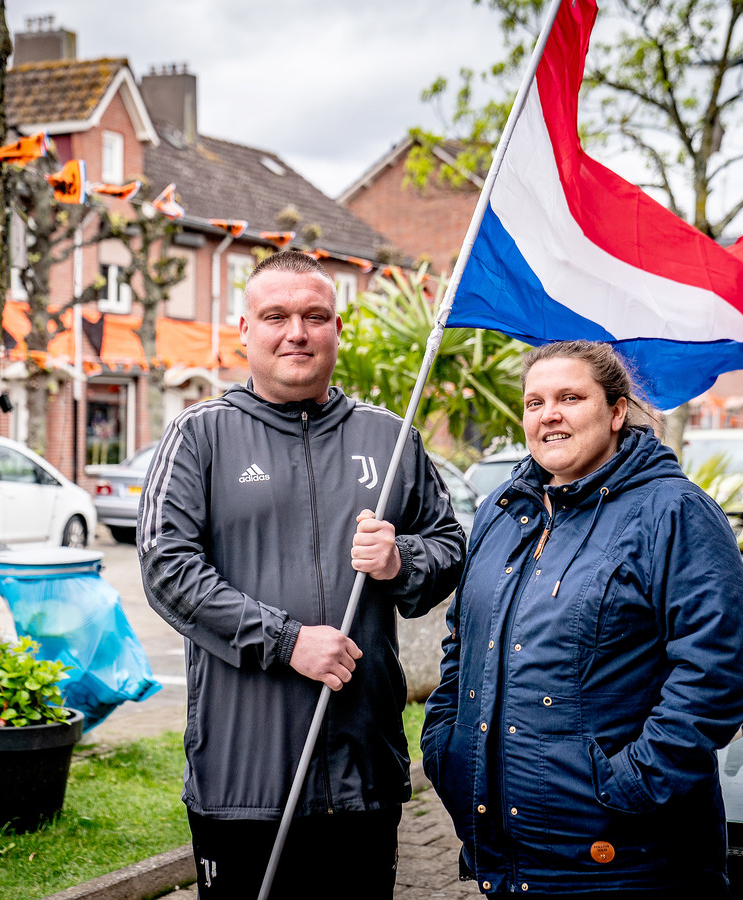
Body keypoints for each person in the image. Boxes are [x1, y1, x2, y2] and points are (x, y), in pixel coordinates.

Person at [138, 250, 466, 898]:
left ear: (337, 329)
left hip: (363, 775)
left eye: (316, 316)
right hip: (243, 780)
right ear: (244, 330)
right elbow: (166, 566)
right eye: (277, 316)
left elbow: (451, 545)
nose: (297, 331)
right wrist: (287, 641)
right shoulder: (199, 437)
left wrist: (403, 559)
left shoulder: (390, 438)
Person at [422, 340, 743, 898]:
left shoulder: (672, 512)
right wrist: (445, 750)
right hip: (506, 854)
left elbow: (719, 672)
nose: (548, 414)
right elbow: (463, 645)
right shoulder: (502, 512)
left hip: (624, 862)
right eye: (534, 402)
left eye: (570, 397)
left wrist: (627, 787)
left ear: (617, 411)